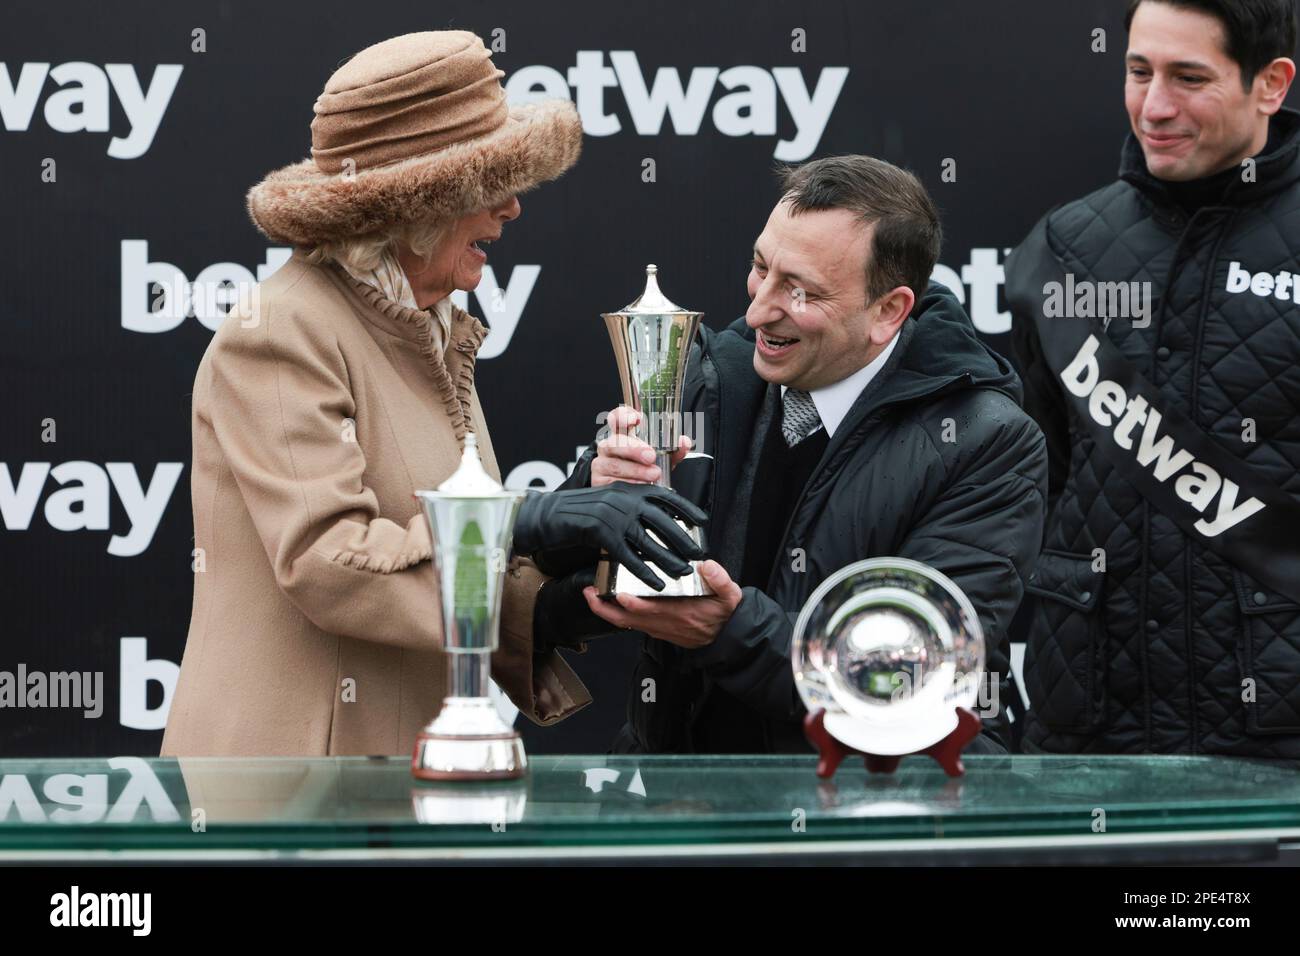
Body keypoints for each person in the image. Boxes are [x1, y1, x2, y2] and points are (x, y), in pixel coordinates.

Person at [161, 31, 705, 757]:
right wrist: (532, 518)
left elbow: (425, 573)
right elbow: (330, 563)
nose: (512, 208)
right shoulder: (284, 330)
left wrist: (564, 603)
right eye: (488, 185)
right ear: (414, 205)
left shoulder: (430, 326)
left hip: (402, 774)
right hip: (295, 793)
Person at [565, 155, 1048, 754]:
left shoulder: (987, 442)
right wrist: (594, 499)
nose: (756, 311)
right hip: (689, 812)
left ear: (887, 312)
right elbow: (560, 586)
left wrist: (729, 630)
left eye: (800, 291)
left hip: (878, 824)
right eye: (759, 268)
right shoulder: (709, 376)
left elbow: (910, 673)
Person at [1005, 0, 1300, 758]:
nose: (1155, 106)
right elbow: (1036, 480)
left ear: (1270, 83)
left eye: (1189, 77)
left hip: (1277, 732)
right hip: (1092, 732)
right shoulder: (1065, 248)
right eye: (1139, 72)